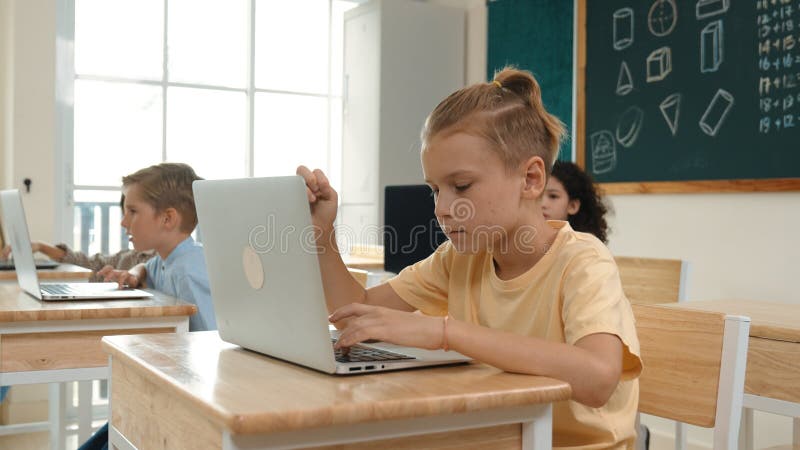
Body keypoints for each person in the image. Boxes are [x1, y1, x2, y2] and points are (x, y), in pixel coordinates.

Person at [297, 67, 641, 449]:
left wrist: (444, 333)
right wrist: (322, 234)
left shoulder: (583, 262)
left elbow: (597, 378)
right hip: (495, 436)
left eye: (461, 186)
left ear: (530, 180)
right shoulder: (458, 259)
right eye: (435, 190)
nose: (442, 208)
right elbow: (355, 309)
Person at [79, 162, 214, 450]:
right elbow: (147, 265)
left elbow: (211, 345)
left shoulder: (188, 270)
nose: (123, 222)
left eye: (132, 211)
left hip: (182, 402)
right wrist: (137, 272)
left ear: (167, 219)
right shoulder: (169, 258)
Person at [0, 195, 155, 281]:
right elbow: (86, 263)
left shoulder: (163, 263)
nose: (123, 222)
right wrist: (41, 246)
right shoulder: (126, 258)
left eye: (133, 212)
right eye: (124, 213)